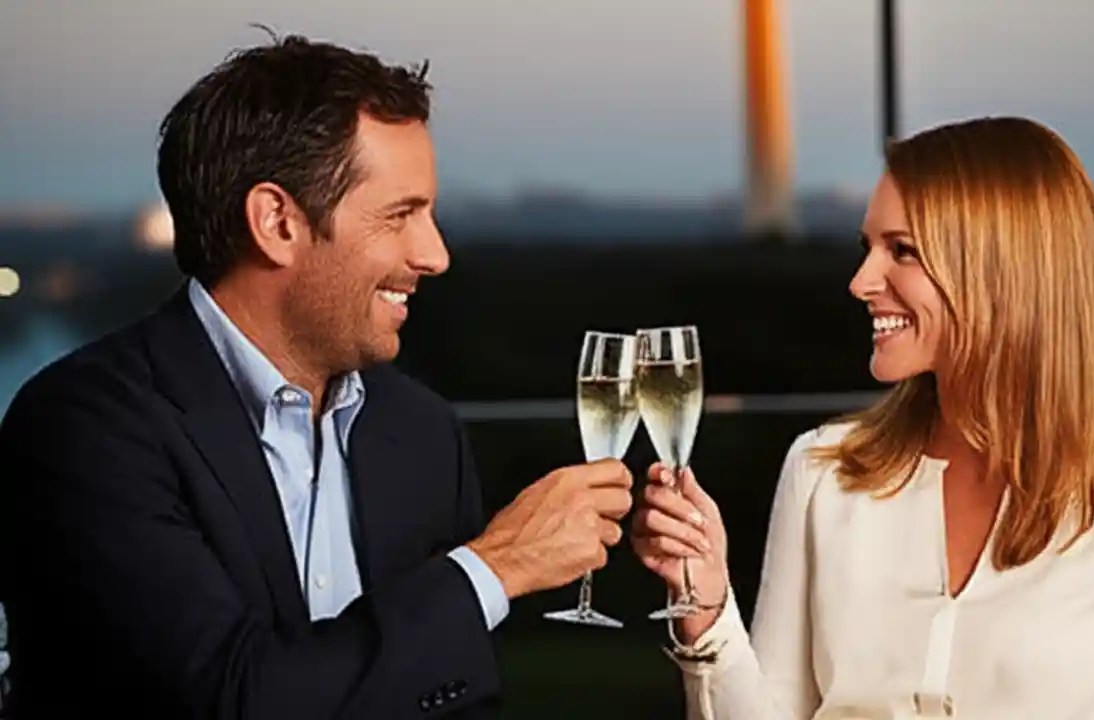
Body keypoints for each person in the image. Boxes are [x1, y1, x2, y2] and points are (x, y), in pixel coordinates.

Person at [0, 34, 633, 718]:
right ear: (278, 222)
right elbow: (230, 698)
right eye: (401, 215)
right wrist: (494, 567)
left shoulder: (422, 433)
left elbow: (459, 696)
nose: (435, 255)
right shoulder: (83, 430)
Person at [631, 116, 1094, 719]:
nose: (860, 281)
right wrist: (707, 609)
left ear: (1002, 270)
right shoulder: (824, 472)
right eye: (867, 248)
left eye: (901, 251)